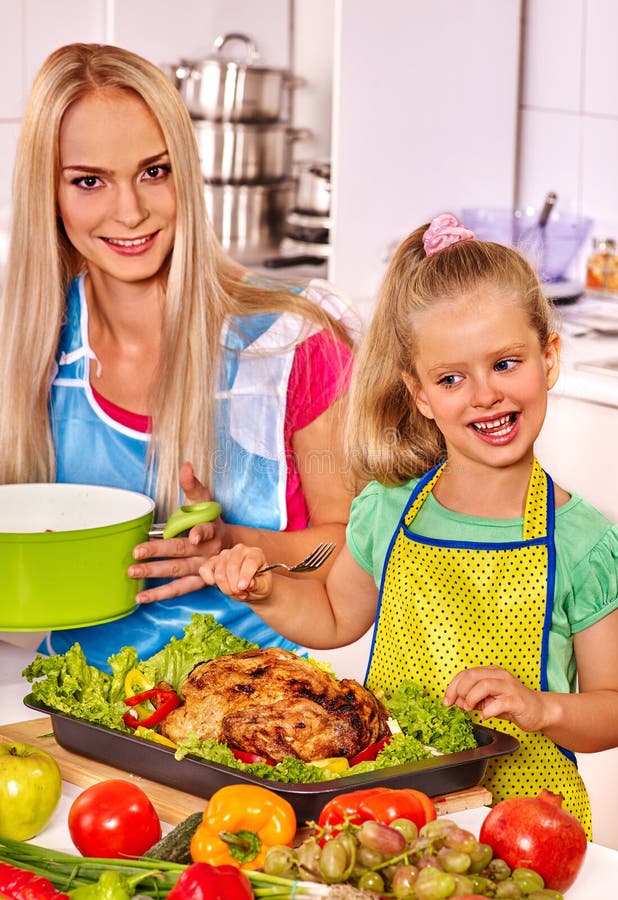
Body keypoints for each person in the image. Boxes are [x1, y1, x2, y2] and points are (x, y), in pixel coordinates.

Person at [199, 212, 618, 836]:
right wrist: (266, 592)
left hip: (527, 832)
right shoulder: (388, 509)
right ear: (420, 395)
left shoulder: (586, 544)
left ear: (548, 358)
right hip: (390, 820)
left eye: (506, 363)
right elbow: (333, 616)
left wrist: (541, 708)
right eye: (452, 378)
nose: (484, 394)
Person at [0, 43, 358, 668]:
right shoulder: (29, 344)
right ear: (48, 194)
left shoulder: (290, 341)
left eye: (154, 172)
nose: (131, 212)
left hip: (265, 702)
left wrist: (234, 544)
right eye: (89, 181)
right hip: (74, 697)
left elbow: (355, 548)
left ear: (185, 174)